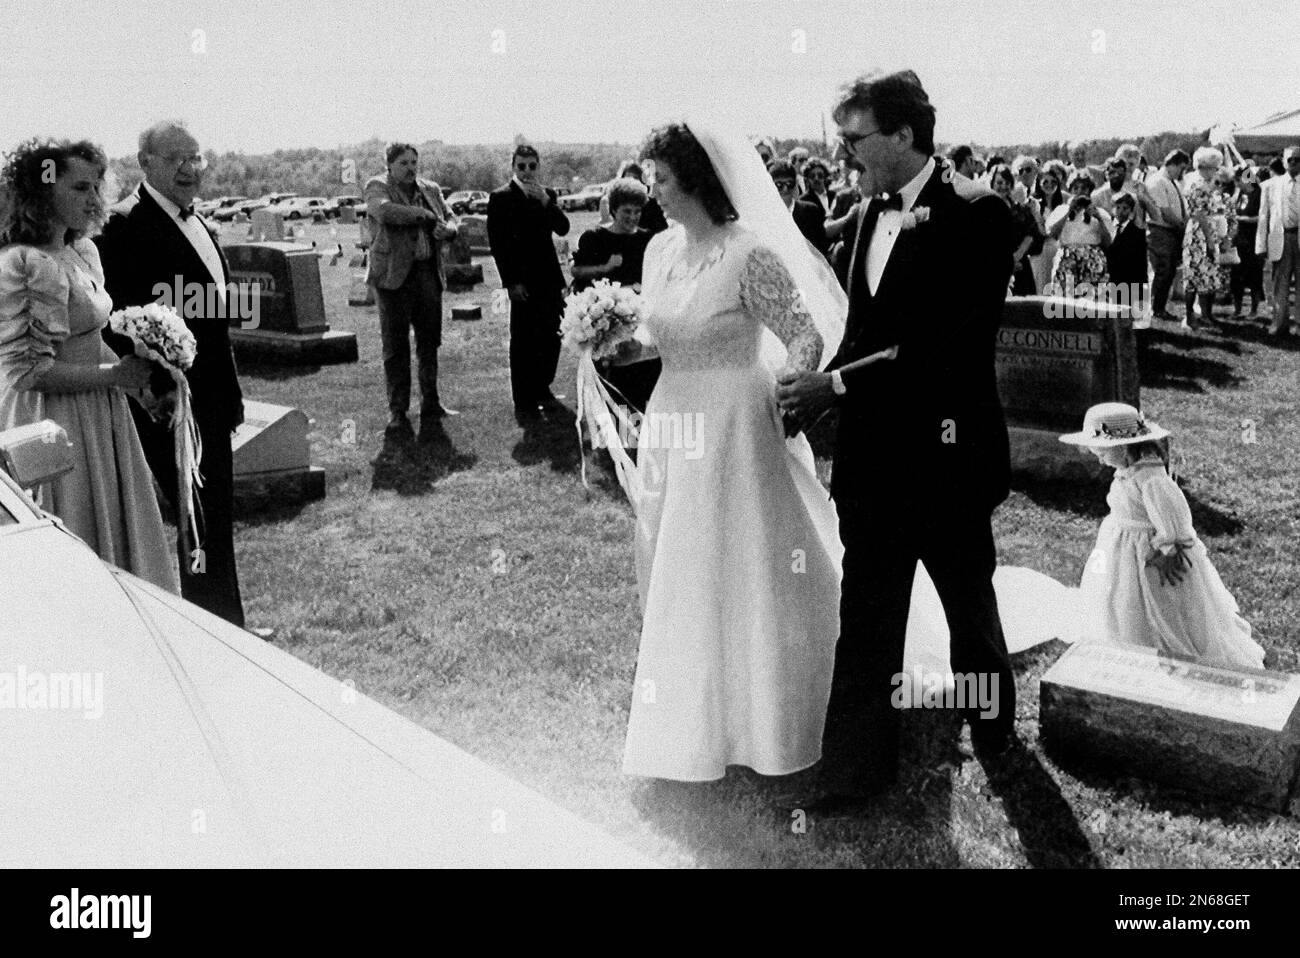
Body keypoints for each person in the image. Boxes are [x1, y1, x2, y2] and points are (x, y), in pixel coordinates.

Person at [777, 70, 1031, 811]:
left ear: (903, 134)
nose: (844, 153)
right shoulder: (860, 217)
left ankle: (992, 733)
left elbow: (946, 349)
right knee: (867, 619)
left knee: (968, 608)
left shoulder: (982, 215)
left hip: (949, 458)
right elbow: (862, 333)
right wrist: (813, 392)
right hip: (872, 464)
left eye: (854, 138)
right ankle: (855, 768)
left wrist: (839, 387)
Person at [615, 120, 848, 780]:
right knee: (681, 553)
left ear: (694, 178)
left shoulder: (749, 254)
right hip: (673, 416)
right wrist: (611, 339)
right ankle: (690, 709)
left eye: (659, 178)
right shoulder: (657, 250)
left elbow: (804, 333)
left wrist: (791, 385)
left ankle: (767, 713)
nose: (651, 189)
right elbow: (660, 335)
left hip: (737, 421)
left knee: (742, 552)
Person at [0, 138, 178, 592]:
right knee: (74, 526)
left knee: (118, 528)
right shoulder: (24, 263)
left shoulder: (83, 252)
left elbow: (91, 339)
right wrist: (114, 377)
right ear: (42, 192)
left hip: (102, 414)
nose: (94, 199)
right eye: (79, 187)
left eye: (98, 187)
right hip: (50, 421)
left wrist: (136, 386)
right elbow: (29, 373)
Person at [96, 121, 245, 626]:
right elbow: (117, 322)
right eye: (176, 158)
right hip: (169, 405)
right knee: (193, 519)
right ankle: (212, 626)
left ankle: (227, 621)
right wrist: (153, 390)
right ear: (146, 163)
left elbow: (214, 317)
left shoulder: (200, 222)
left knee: (215, 517)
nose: (189, 168)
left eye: (196, 157)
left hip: (213, 397)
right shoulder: (123, 226)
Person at [1060, 403, 1264, 671]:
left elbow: (1174, 519)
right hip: (1123, 546)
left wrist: (1168, 548)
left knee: (1155, 603)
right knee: (1121, 598)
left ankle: (1156, 646)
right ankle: (1124, 640)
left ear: (1122, 447)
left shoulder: (1150, 478)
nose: (1099, 459)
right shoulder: (1128, 472)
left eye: (1101, 452)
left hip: (1145, 551)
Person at [364, 142, 459, 440]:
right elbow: (386, 213)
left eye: (414, 162)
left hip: (427, 273)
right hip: (393, 277)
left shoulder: (430, 188)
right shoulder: (377, 186)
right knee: (395, 347)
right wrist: (425, 216)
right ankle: (398, 411)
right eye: (403, 163)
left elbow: (450, 215)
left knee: (429, 342)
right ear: (390, 165)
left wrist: (450, 229)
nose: (410, 168)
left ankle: (431, 402)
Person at [486, 144, 571, 424]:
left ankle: (543, 387)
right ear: (513, 166)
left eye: (531, 166)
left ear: (538, 167)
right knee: (523, 339)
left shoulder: (547, 195)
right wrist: (510, 282)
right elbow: (498, 245)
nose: (526, 172)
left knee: (552, 335)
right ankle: (523, 398)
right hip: (521, 280)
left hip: (548, 277)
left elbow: (563, 228)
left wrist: (547, 202)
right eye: (521, 166)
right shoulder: (500, 198)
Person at [571, 177, 659, 414]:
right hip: (609, 323)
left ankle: (638, 434)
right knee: (612, 384)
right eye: (627, 211)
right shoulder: (595, 237)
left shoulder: (648, 240)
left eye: (638, 211)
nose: (633, 217)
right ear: (613, 209)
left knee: (642, 383)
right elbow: (577, 270)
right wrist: (606, 268)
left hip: (640, 322)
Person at [1181, 147, 1235, 329]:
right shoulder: (1198, 185)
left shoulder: (1200, 182)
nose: (1217, 170)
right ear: (1206, 166)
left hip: (1201, 231)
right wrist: (1211, 242)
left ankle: (1204, 315)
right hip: (1199, 234)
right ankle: (1190, 317)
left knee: (1205, 276)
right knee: (1195, 277)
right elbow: (1200, 215)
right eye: (1215, 167)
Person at [1255, 145, 1299, 336]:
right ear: (1283, 161)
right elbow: (1263, 216)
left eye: (1298, 160)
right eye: (1290, 160)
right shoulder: (1270, 186)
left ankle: (1298, 324)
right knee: (1279, 283)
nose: (1294, 163)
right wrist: (1261, 244)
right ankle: (1278, 322)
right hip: (1280, 238)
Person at [1046, 170, 1113, 297]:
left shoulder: (1100, 212)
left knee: (1093, 300)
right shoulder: (1061, 210)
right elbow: (1053, 235)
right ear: (1070, 190)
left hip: (1092, 258)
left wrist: (1099, 218)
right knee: (1065, 299)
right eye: (1075, 188)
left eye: (1084, 188)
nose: (1080, 191)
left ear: (1090, 190)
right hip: (1067, 258)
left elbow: (1108, 242)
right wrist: (1068, 211)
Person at [1145, 149, 1191, 321]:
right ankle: (1156, 308)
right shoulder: (1157, 182)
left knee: (1169, 270)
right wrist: (1182, 227)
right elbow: (1164, 211)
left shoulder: (1171, 182)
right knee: (1163, 270)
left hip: (1171, 231)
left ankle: (1159, 307)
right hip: (1161, 231)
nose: (1182, 172)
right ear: (1172, 164)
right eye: (1181, 167)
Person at [988, 163, 1040, 294]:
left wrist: (1016, 257)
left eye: (1007, 183)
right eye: (999, 183)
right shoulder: (985, 210)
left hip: (1020, 266)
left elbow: (1030, 234)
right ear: (992, 184)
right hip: (994, 266)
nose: (1004, 186)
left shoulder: (1020, 209)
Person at [769, 159, 829, 257]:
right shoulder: (766, 215)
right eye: (779, 185)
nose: (785, 189)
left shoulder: (811, 211)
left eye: (789, 184)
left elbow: (822, 249)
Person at [1230, 164, 1264, 319]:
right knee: (1236, 276)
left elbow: (1263, 217)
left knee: (1254, 276)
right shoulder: (1238, 194)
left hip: (1253, 240)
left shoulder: (1259, 194)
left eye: (1238, 180)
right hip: (1238, 240)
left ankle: (1253, 309)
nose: (1236, 183)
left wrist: (1243, 219)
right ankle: (1237, 309)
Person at [597, 161, 668, 233]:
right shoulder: (612, 203)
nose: (631, 182)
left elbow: (661, 230)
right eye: (627, 178)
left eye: (635, 178)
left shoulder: (653, 204)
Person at [1105, 193, 1149, 311]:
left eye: (1125, 208)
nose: (1120, 211)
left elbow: (1141, 265)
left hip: (1129, 279)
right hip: (1110, 277)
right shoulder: (1107, 228)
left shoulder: (1138, 233)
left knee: (1127, 314)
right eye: (1117, 207)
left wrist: (1141, 290)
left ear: (1131, 210)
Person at [1030, 162, 1067, 294]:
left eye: (1053, 182)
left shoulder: (1062, 205)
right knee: (1041, 289)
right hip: (1039, 252)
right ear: (1039, 183)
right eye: (1045, 181)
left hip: (1058, 252)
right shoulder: (1034, 204)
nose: (1049, 185)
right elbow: (1042, 233)